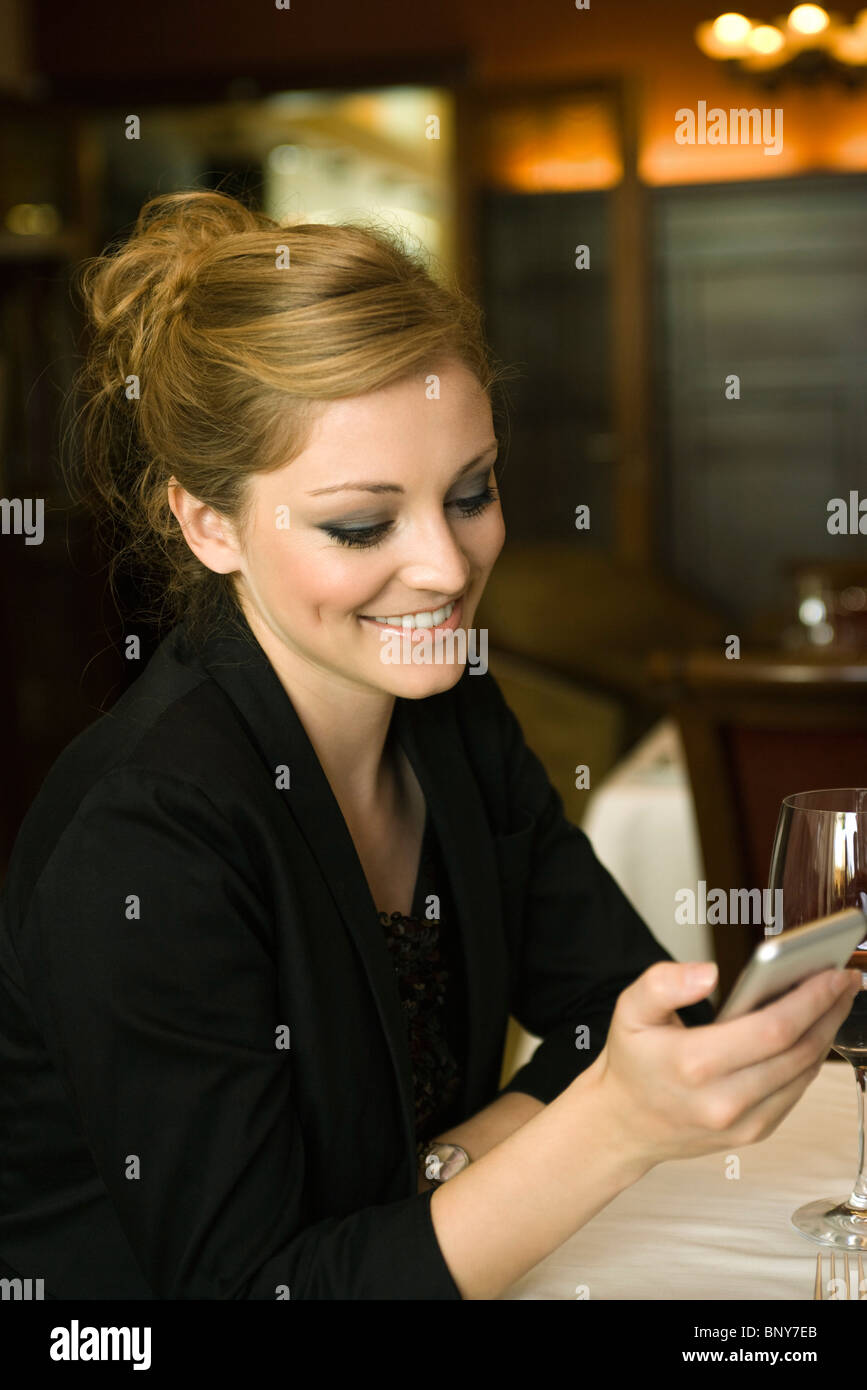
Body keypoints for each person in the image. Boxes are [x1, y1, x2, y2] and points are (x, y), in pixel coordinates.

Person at [0, 190, 859, 1301]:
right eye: (362, 524)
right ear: (208, 524)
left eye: (471, 493)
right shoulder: (147, 833)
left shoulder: (450, 715)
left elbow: (626, 1004)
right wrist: (597, 1128)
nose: (448, 568)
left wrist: (450, 1162)